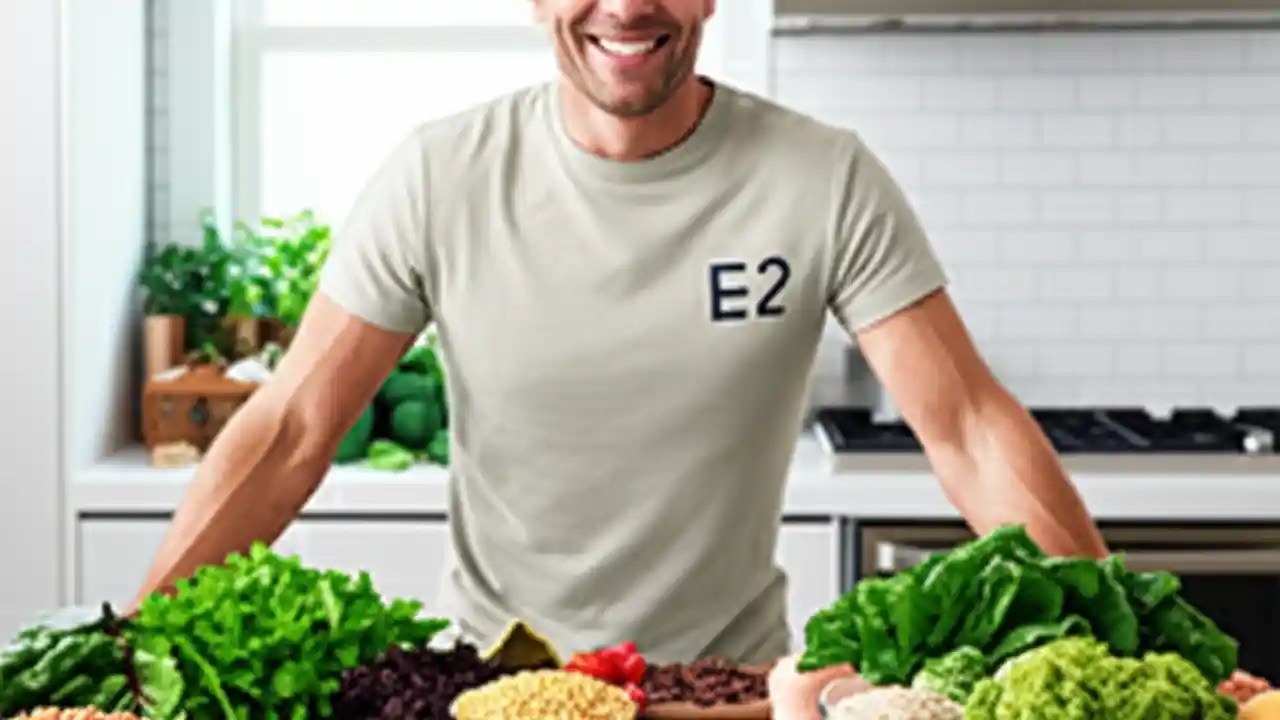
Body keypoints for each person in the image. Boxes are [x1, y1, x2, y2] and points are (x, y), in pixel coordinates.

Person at [131, 0, 1107, 665]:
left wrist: (1127, 641)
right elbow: (295, 427)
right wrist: (132, 646)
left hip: (722, 696)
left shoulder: (823, 177)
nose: (626, 5)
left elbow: (968, 427)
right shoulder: (440, 175)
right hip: (503, 692)